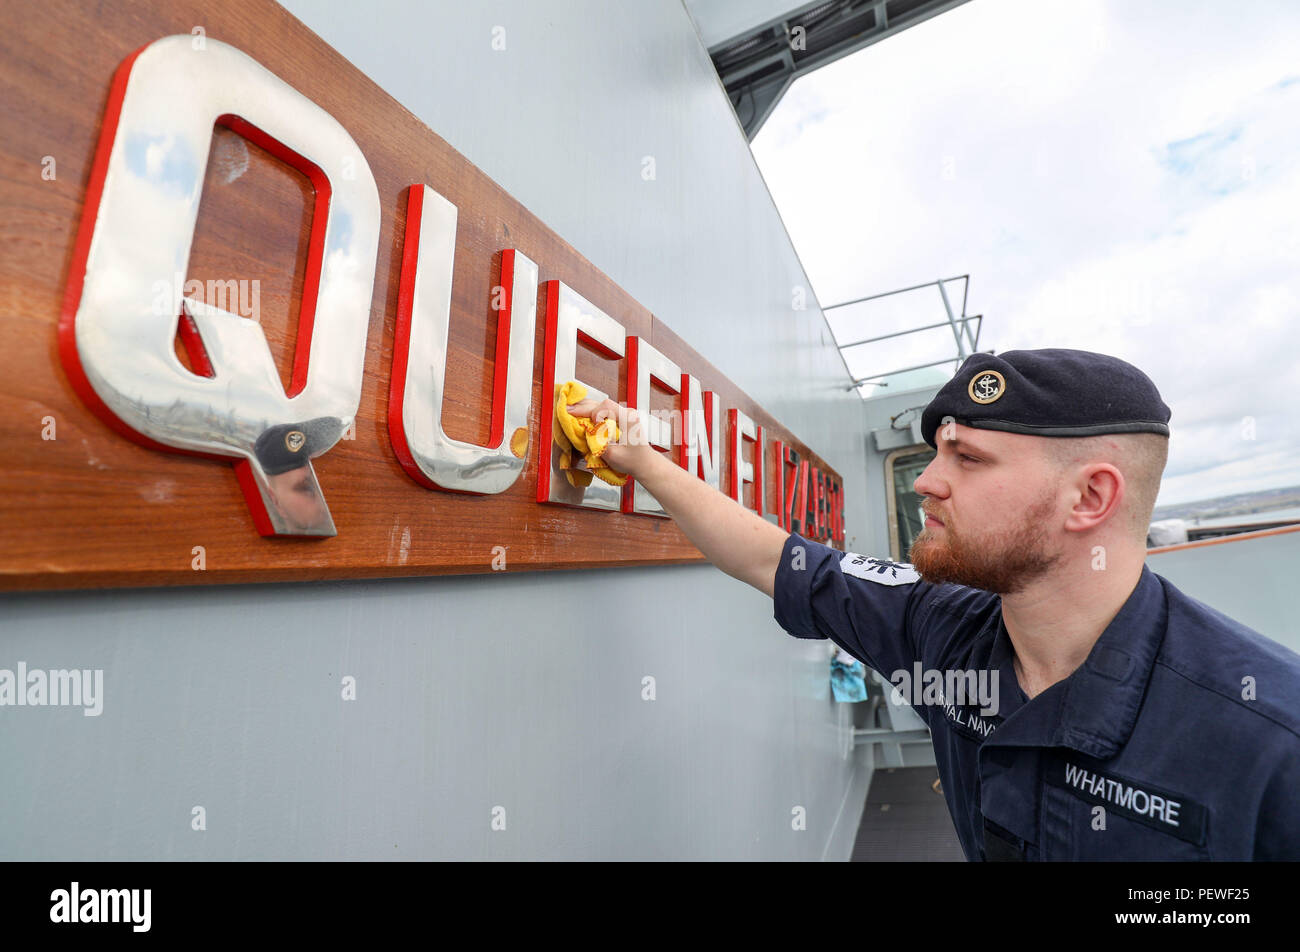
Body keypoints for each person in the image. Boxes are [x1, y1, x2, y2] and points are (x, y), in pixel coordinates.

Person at [565, 348, 1300, 861]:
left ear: (1091, 497)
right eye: (934, 455)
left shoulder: (1270, 737)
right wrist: (637, 458)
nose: (926, 482)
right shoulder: (939, 626)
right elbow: (771, 556)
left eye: (968, 459)